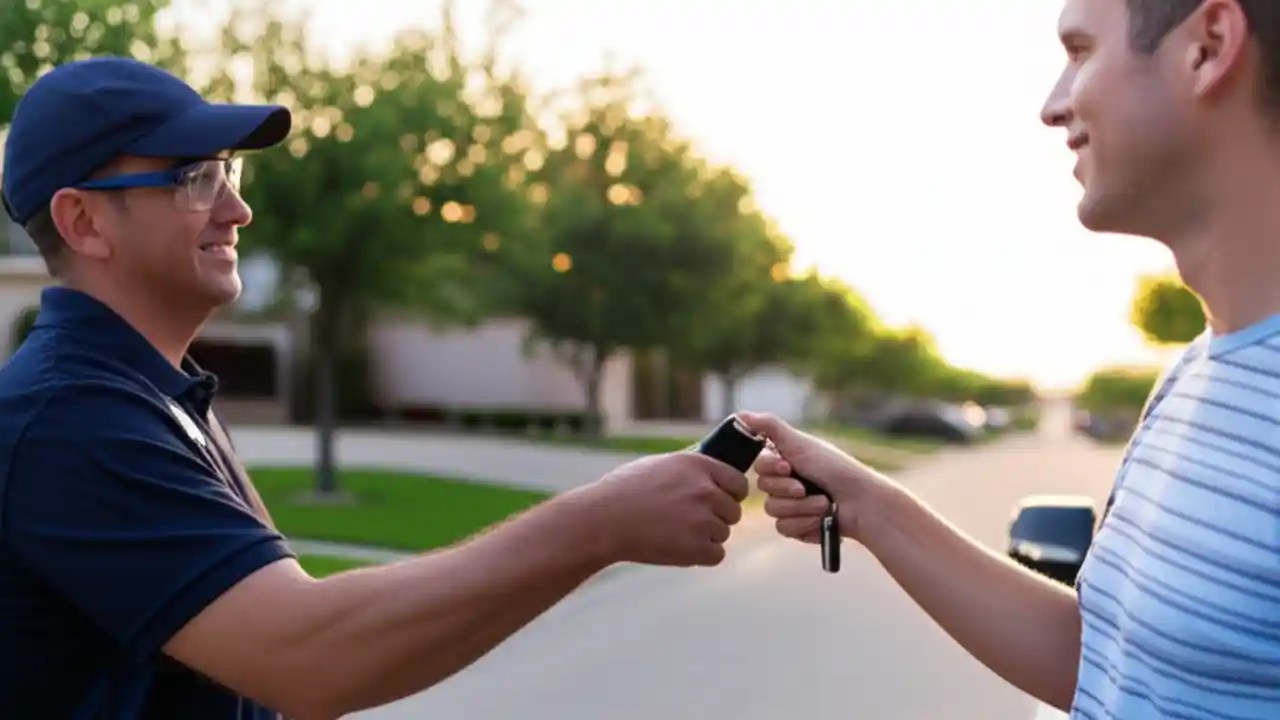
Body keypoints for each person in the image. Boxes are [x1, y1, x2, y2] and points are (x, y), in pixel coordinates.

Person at [0, 57, 749, 720]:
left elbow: (298, 667)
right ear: (83, 221)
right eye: (193, 179)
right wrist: (600, 523)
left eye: (228, 173)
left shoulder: (157, 397)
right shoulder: (70, 419)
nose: (237, 209)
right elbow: (311, 659)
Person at [747, 0, 1280, 717]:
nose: (1053, 106)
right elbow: (1103, 663)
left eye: (1081, 52)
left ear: (1207, 47)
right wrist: (868, 505)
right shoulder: (1195, 373)